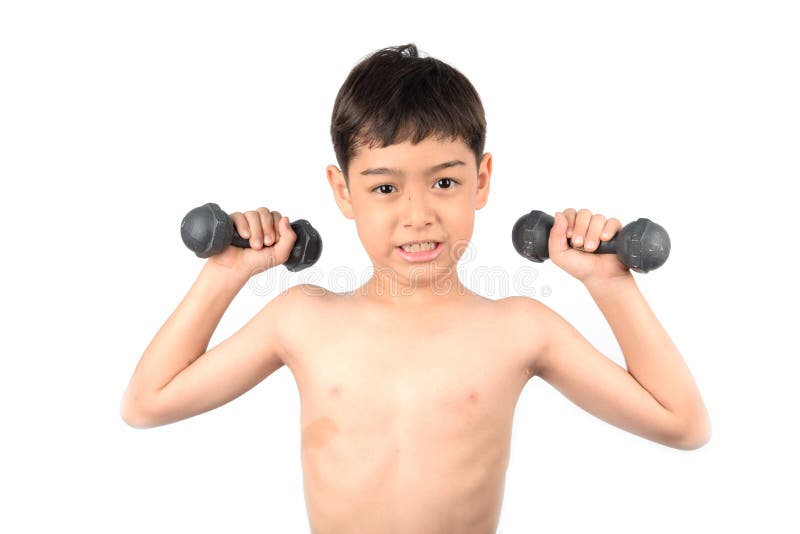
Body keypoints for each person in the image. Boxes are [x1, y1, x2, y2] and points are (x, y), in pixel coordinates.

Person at [120, 43, 711, 534]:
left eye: (445, 181)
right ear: (342, 190)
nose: (418, 214)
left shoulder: (520, 329)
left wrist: (610, 282)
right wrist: (225, 271)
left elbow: (683, 424)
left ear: (481, 182)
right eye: (383, 189)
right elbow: (147, 404)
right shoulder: (301, 319)